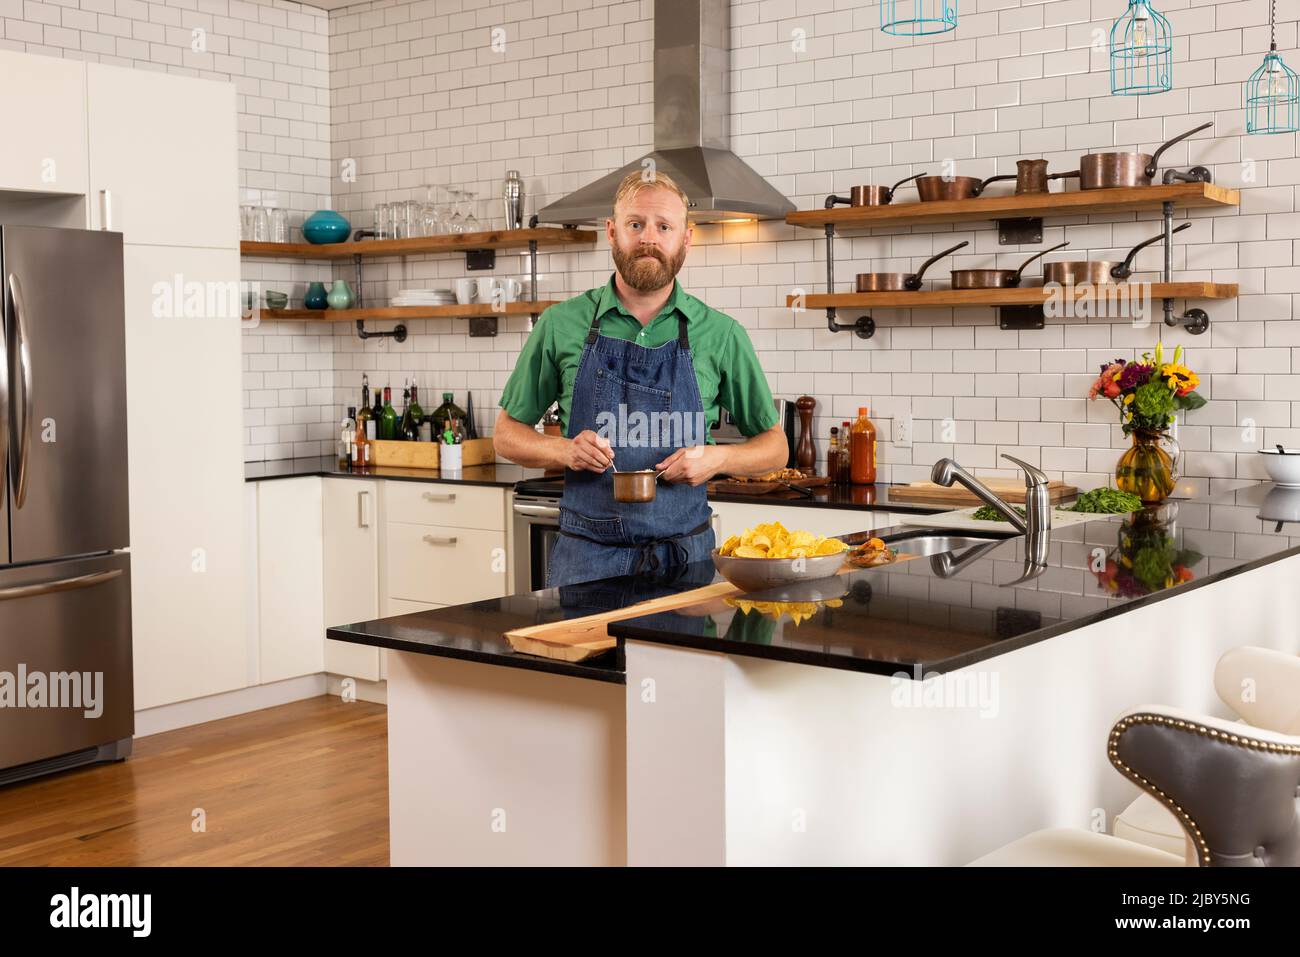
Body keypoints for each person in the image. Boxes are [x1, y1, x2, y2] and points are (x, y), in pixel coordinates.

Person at [494, 170, 787, 586]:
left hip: (685, 561)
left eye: (664, 226)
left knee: (678, 655)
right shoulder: (561, 324)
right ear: (612, 233)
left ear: (685, 238)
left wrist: (718, 459)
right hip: (586, 561)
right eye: (636, 224)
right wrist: (564, 452)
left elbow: (775, 447)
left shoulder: (721, 334)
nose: (649, 238)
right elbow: (506, 434)